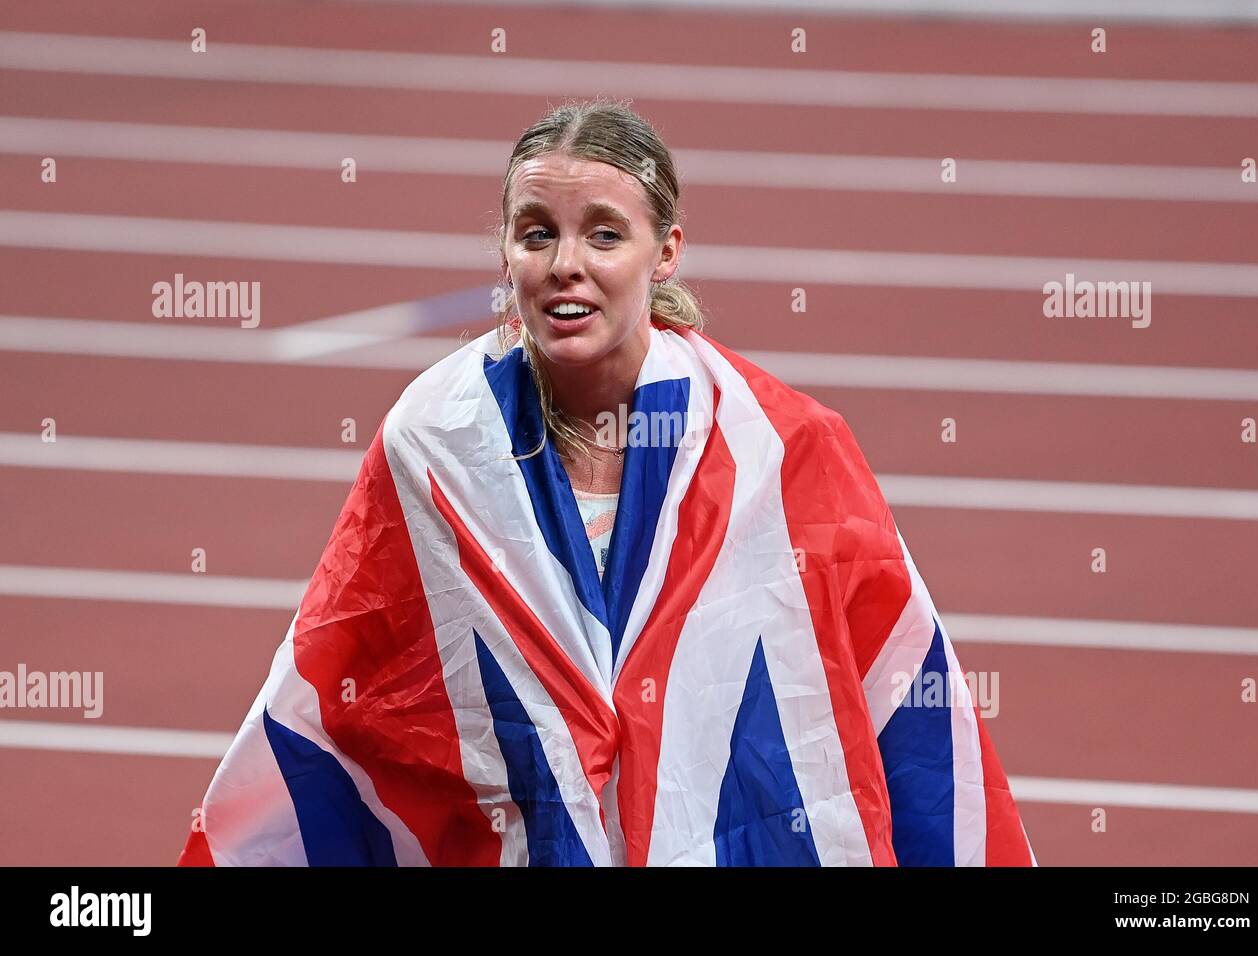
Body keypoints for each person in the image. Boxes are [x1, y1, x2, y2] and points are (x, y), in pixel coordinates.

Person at [178, 99, 1035, 867]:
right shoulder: (437, 442)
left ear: (666, 252)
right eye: (537, 232)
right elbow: (342, 677)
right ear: (505, 249)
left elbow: (900, 688)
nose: (565, 265)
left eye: (604, 234)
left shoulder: (781, 448)